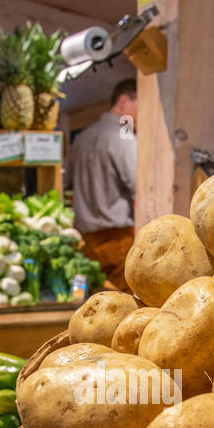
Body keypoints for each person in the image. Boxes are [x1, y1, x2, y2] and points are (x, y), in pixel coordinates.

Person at [68, 79, 137, 287]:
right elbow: (138, 185)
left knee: (90, 306)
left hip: (84, 240)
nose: (139, 116)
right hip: (116, 241)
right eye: (139, 107)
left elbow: (67, 182)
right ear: (124, 102)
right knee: (121, 308)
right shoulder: (124, 135)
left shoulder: (82, 137)